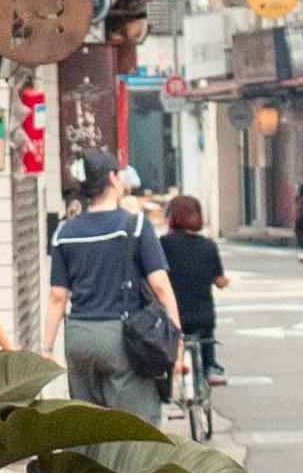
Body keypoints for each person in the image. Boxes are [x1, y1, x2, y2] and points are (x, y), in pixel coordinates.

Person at [40, 161, 163, 404]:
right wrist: (176, 334)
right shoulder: (136, 225)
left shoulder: (65, 232)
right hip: (122, 335)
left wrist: (46, 347)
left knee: (88, 424)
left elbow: (57, 296)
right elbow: (160, 285)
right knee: (128, 428)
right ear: (113, 178)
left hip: (79, 336)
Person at [151, 193, 227, 411]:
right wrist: (225, 281)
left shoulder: (163, 244)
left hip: (174, 317)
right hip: (202, 316)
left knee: (166, 346)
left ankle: (165, 386)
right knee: (206, 336)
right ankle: (211, 367)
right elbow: (219, 280)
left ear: (172, 217)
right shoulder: (208, 246)